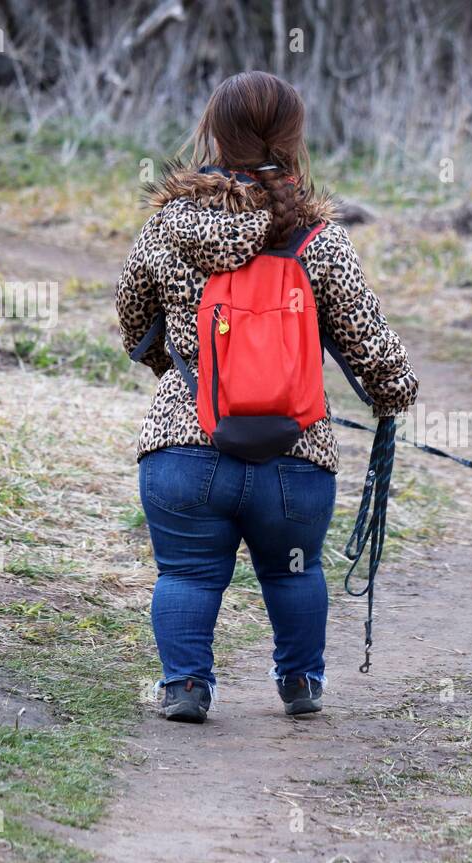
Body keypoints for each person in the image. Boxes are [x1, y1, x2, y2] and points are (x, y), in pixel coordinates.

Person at [116, 71, 418, 722]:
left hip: (184, 446)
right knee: (292, 571)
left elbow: (132, 321)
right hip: (294, 450)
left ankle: (186, 688)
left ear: (213, 132)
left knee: (187, 575)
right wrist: (394, 395)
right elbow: (372, 345)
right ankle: (300, 684)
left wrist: (180, 368)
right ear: (292, 138)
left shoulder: (169, 226)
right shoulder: (318, 239)